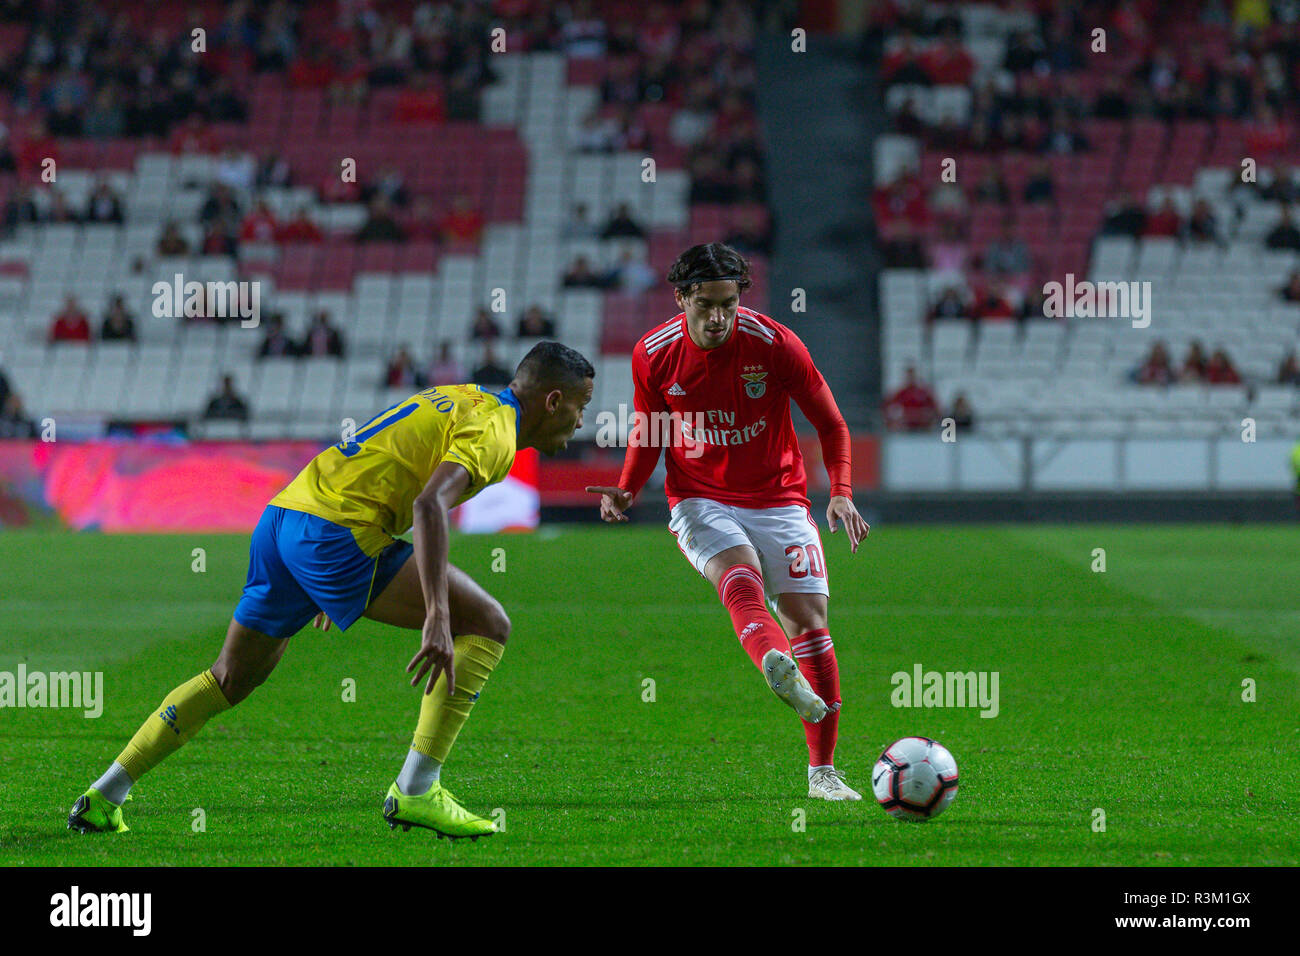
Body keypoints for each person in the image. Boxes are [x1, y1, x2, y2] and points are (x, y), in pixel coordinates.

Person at [68, 343, 595, 839]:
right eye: (581, 405)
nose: (582, 420)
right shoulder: (496, 433)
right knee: (486, 622)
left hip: (286, 517)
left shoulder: (467, 397)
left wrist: (326, 573)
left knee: (229, 678)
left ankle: (105, 794)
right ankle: (416, 789)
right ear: (553, 400)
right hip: (335, 533)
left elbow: (392, 466)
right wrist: (436, 614)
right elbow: (429, 505)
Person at [585, 243, 869, 802]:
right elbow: (649, 429)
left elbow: (831, 423)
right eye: (707, 305)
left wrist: (840, 492)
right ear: (681, 298)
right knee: (738, 575)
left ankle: (823, 773)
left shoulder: (775, 343)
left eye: (729, 304)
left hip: (780, 496)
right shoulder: (653, 354)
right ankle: (769, 659)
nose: (719, 317)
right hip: (699, 496)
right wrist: (628, 487)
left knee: (810, 623)